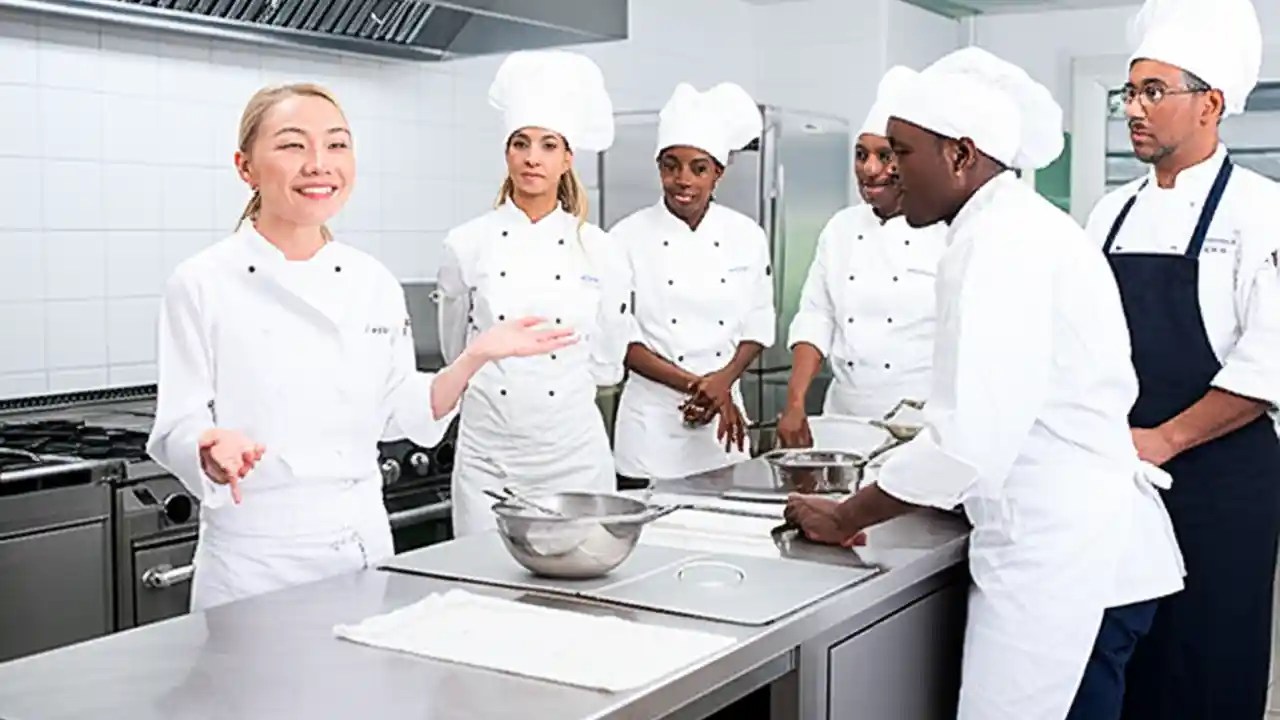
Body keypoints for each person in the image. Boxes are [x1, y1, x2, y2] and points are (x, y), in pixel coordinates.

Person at [783, 47, 1185, 720]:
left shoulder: (999, 246)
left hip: (1064, 560)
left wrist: (845, 516)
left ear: (961, 155)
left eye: (903, 153)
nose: (889, 173)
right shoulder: (1013, 226)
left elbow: (967, 445)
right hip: (1082, 544)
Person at [147, 83, 575, 611]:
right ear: (245, 167)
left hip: (363, 552)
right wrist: (207, 448)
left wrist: (475, 356)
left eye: (336, 144)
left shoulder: (371, 280)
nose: (318, 164)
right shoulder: (202, 282)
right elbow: (175, 427)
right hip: (256, 566)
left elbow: (403, 413)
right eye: (292, 145)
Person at [1082, 1, 1280, 717]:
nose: (1134, 109)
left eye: (1154, 92)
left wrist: (1161, 440)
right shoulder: (1109, 213)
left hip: (1220, 486)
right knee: (1124, 664)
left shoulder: (1264, 212)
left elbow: (1267, 366)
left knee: (1206, 667)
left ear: (1212, 104)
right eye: (1129, 93)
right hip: (1123, 477)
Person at [436, 50, 632, 536]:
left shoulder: (601, 251)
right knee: (480, 585)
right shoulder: (466, 244)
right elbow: (456, 350)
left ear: (568, 158)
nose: (531, 157)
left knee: (581, 587)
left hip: (574, 455)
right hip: (489, 458)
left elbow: (608, 362)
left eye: (548, 146)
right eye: (520, 143)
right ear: (507, 153)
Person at [609, 81, 775, 485]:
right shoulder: (624, 238)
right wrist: (703, 387)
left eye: (698, 168)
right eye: (671, 166)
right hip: (652, 426)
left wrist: (725, 380)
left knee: (719, 532)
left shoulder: (747, 234)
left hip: (721, 427)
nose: (683, 180)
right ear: (659, 168)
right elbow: (621, 339)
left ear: (718, 172)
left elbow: (758, 322)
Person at [777, 66, 948, 448]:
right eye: (861, 155)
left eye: (885, 156)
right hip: (842, 419)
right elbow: (816, 316)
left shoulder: (947, 232)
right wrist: (794, 402)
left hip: (918, 424)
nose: (869, 170)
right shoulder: (840, 228)